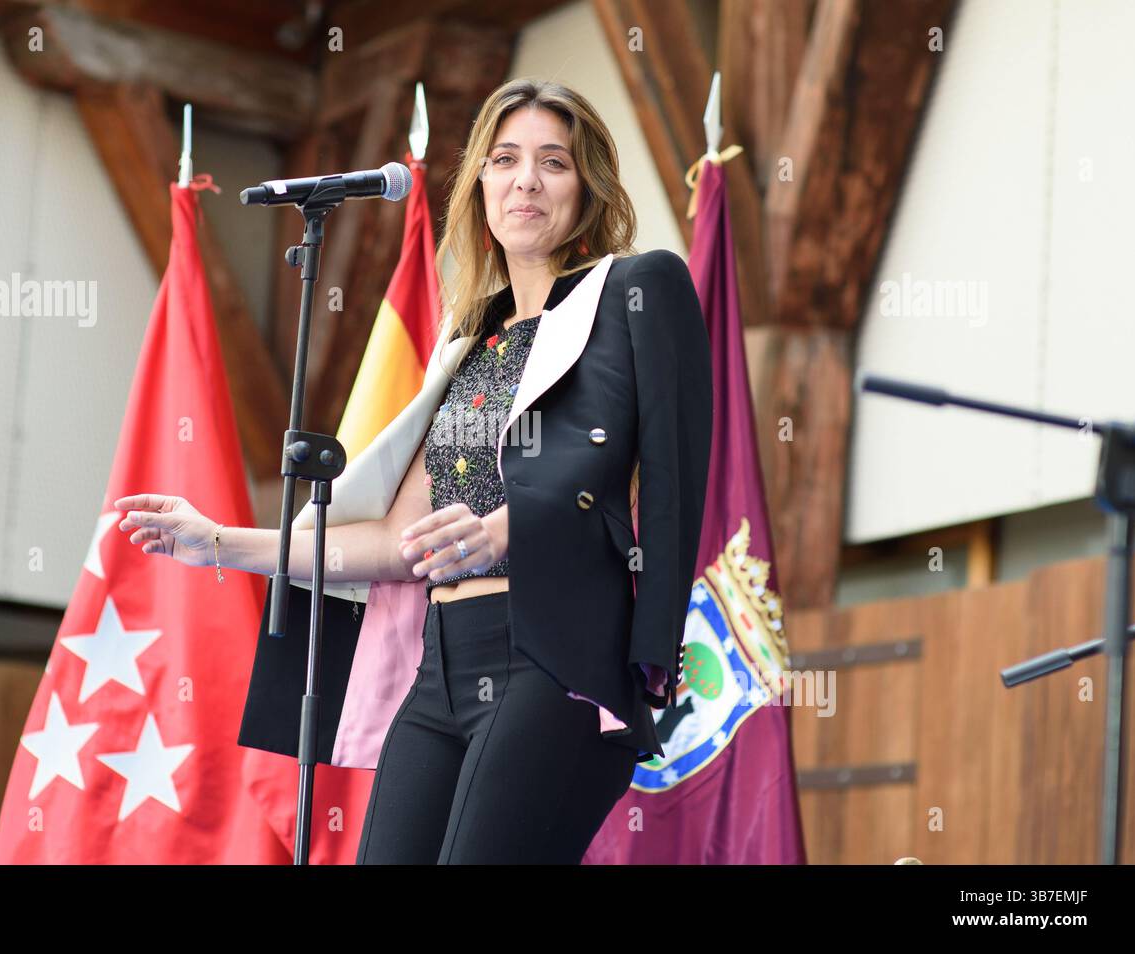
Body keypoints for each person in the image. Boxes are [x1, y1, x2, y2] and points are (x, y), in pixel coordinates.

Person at [114, 78, 713, 864]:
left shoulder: (637, 289)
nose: (526, 179)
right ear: (481, 185)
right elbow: (399, 543)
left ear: (589, 186)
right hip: (440, 664)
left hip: (554, 655)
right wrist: (220, 543)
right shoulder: (472, 342)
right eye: (504, 159)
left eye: (553, 162)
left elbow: (671, 475)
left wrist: (520, 540)